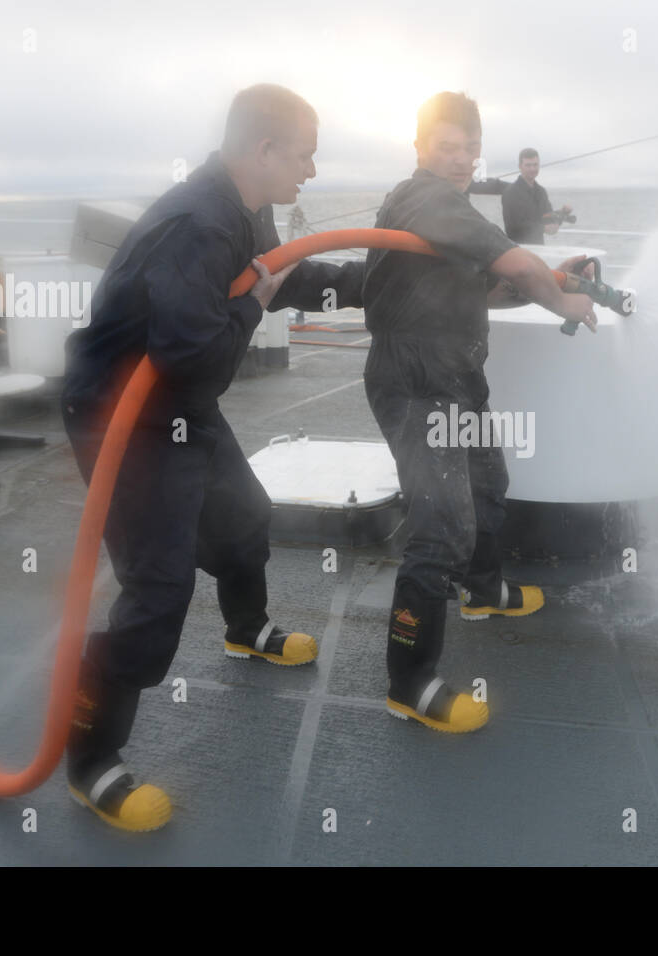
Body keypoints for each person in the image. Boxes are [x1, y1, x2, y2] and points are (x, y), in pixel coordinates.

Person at [59, 84, 364, 831]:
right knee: (157, 589)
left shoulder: (245, 204)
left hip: (174, 404)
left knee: (243, 519)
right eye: (304, 155)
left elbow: (284, 273)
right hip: (120, 418)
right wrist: (257, 301)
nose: (312, 171)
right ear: (263, 151)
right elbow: (199, 356)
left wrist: (373, 283)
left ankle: (246, 629)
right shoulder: (198, 223)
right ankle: (90, 758)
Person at [361, 92, 598, 733]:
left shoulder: (448, 209)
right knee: (440, 525)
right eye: (447, 146)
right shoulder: (426, 199)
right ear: (419, 149)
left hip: (457, 378)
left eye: (470, 148)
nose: (462, 160)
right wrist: (562, 302)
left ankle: (484, 591)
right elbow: (515, 262)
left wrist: (555, 277)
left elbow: (489, 286)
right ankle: (409, 682)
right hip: (415, 384)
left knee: (489, 486)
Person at [501, 148, 573, 244]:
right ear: (520, 166)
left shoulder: (541, 191)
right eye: (528, 165)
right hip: (517, 249)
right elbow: (513, 227)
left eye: (535, 165)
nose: (532, 169)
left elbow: (547, 218)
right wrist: (543, 228)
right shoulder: (510, 192)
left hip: (539, 248)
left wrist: (562, 213)